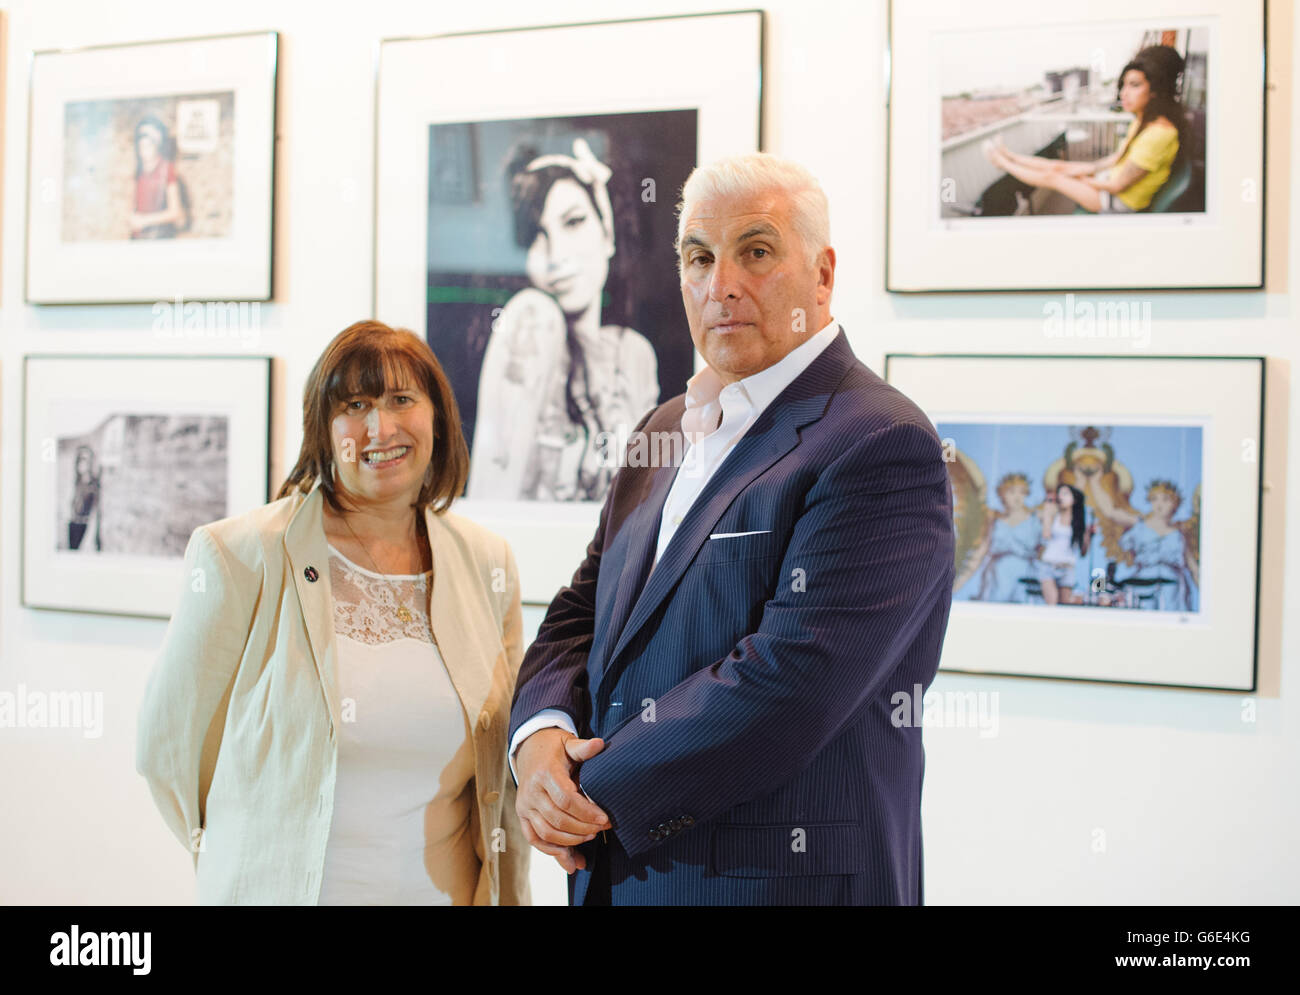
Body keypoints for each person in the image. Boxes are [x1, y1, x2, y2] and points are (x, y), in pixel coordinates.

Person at [508, 153, 956, 905]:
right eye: (699, 257)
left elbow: (788, 685)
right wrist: (540, 741)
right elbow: (584, 608)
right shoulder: (664, 427)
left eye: (756, 251)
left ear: (822, 273)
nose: (722, 285)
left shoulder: (881, 442)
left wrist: (581, 789)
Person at [136, 321, 530, 905]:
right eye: (356, 404)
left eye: (402, 399)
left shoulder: (485, 562)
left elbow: (504, 767)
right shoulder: (241, 556)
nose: (382, 427)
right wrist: (245, 859)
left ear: (437, 418)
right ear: (323, 428)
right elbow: (168, 750)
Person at [468, 138, 660, 502]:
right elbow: (492, 497)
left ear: (607, 233)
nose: (557, 255)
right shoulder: (530, 322)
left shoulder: (634, 353)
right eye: (538, 237)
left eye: (573, 222)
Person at [981, 45, 1186, 214]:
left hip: (1116, 202)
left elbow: (1117, 187)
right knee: (1059, 167)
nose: (1124, 94)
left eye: (1134, 85)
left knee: (1054, 177)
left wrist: (1083, 178)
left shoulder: (1160, 134)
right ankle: (1009, 156)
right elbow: (1117, 159)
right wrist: (1092, 168)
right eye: (1123, 86)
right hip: (1109, 180)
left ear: (1154, 90)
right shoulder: (1144, 122)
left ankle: (1003, 163)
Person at [1086, 476, 1199, 611]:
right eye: (1154, 498)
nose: (1159, 504)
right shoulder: (1139, 525)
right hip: (1142, 586)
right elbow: (1110, 512)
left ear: (1175, 503)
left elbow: (1193, 569)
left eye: (1166, 499)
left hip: (1172, 591)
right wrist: (1094, 482)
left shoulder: (1179, 535)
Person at [974, 473, 1041, 603]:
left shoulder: (1034, 520)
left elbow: (1042, 551)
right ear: (1002, 495)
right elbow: (985, 548)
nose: (1017, 497)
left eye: (1021, 492)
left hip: (1024, 573)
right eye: (1011, 492)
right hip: (998, 575)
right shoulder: (996, 521)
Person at [1035, 482, 1096, 605]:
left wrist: (1090, 536)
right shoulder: (1053, 515)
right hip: (1049, 566)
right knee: (1051, 604)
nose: (1061, 496)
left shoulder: (1080, 522)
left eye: (1065, 494)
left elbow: (1083, 552)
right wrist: (1047, 510)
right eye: (1060, 494)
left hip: (1067, 568)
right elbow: (1046, 535)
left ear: (1074, 499)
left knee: (1064, 604)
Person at [129, 116, 186, 239]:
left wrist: (145, 220)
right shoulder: (138, 171)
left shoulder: (167, 170)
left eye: (149, 142)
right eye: (141, 142)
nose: (144, 147)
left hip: (159, 237)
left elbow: (176, 212)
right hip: (139, 238)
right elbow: (133, 207)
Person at [67, 445, 102, 552]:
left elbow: (96, 511)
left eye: (85, 459)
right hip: (72, 525)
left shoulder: (94, 484)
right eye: (80, 458)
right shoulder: (75, 481)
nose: (81, 462)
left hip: (85, 527)